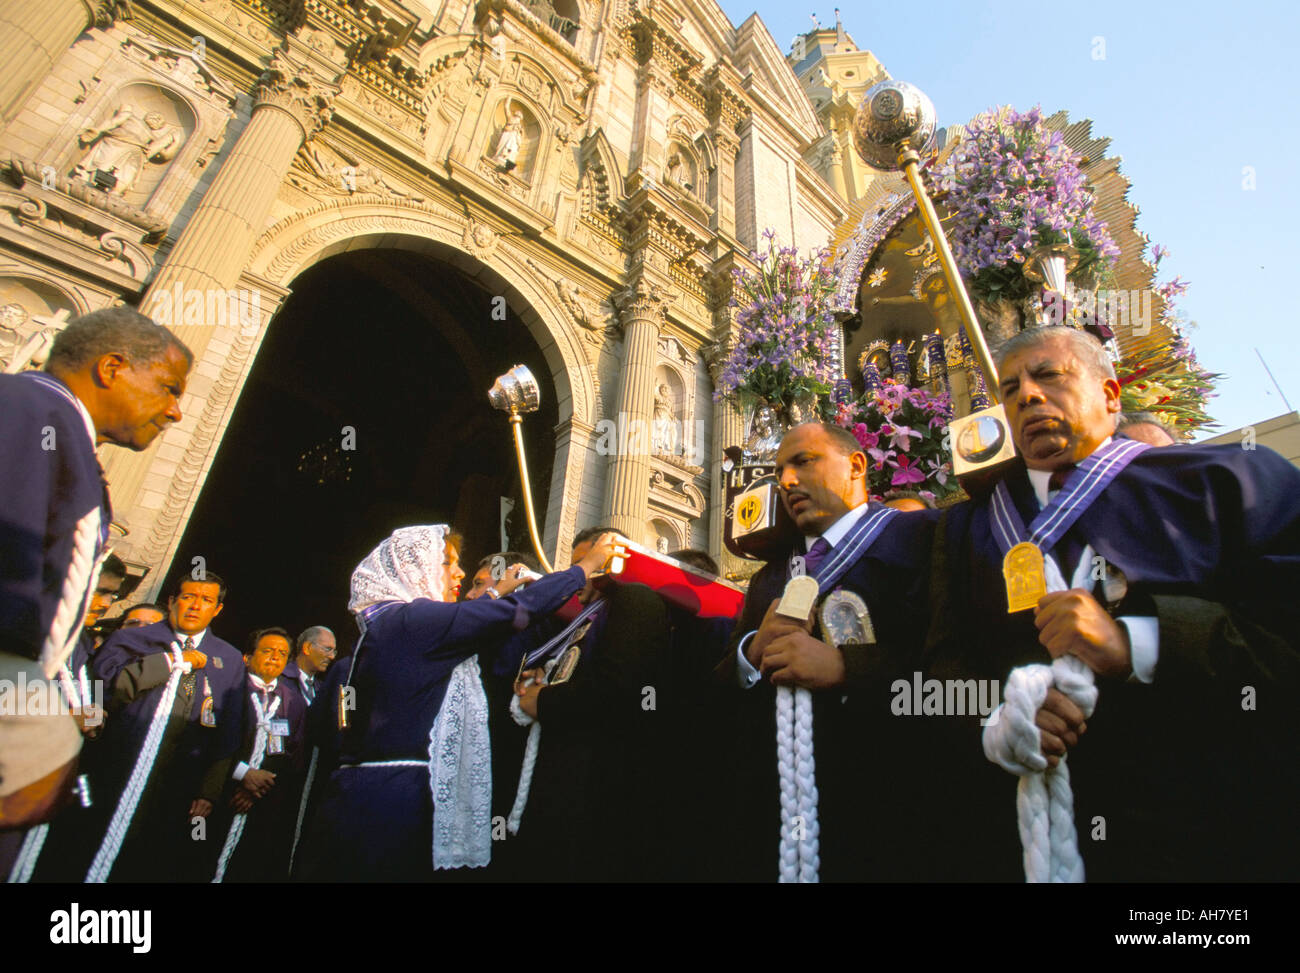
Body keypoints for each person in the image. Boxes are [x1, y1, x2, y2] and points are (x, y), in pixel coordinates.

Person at [926, 325, 1300, 881]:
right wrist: (993, 722)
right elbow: (941, 666)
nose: (1027, 395)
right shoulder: (964, 529)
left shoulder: (1229, 481)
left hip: (1208, 838)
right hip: (1022, 840)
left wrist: (1140, 645)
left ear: (1110, 394)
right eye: (1010, 388)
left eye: (1048, 375)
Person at [294, 525, 621, 881]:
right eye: (448, 562)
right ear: (413, 568)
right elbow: (517, 611)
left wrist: (494, 593)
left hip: (365, 793)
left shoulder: (394, 623)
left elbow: (466, 624)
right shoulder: (414, 620)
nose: (460, 573)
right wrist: (585, 567)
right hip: (393, 800)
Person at [713, 421, 936, 882]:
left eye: (803, 461)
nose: (787, 481)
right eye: (779, 472)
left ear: (856, 465)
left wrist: (847, 669)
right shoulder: (770, 577)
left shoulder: (922, 538)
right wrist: (751, 653)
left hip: (892, 814)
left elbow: (959, 672)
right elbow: (718, 693)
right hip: (772, 824)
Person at [0, 306, 189, 840]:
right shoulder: (30, 411)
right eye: (169, 388)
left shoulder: (63, 435)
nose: (176, 411)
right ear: (112, 367)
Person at [85, 573, 246, 882]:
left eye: (206, 600)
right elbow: (100, 696)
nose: (196, 606)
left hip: (177, 787)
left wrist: (208, 791)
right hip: (114, 772)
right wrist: (169, 662)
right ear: (172, 601)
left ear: (217, 609)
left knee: (149, 863)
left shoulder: (229, 659)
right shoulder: (131, 640)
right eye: (188, 597)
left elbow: (228, 730)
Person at [211, 627, 308, 882]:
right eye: (267, 651)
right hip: (221, 794)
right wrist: (243, 774)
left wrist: (258, 786)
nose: (275, 657)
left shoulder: (294, 702)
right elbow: (209, 741)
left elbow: (294, 755)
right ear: (247, 657)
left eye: (282, 654)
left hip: (261, 802)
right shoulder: (226, 690)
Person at [283, 625, 336, 705]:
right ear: (307, 648)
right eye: (327, 649)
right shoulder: (279, 680)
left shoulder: (322, 688)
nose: (332, 656)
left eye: (334, 651)